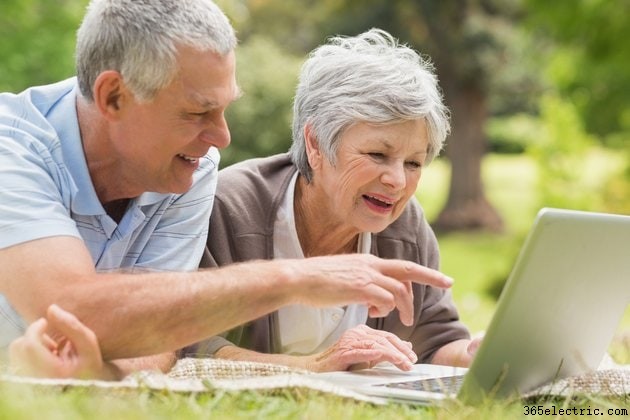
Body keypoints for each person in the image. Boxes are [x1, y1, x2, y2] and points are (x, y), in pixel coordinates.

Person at [0, 1, 453, 379]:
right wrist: (296, 278)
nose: (222, 137)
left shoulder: (188, 171)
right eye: (198, 113)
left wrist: (90, 375)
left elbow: (163, 335)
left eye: (223, 109)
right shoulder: (12, 147)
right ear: (114, 96)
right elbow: (69, 310)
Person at [190, 29, 477, 371]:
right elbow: (186, 342)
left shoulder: (406, 228)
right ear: (315, 144)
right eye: (377, 154)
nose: (398, 181)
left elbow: (437, 343)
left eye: (414, 163)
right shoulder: (229, 208)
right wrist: (313, 366)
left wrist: (477, 353)